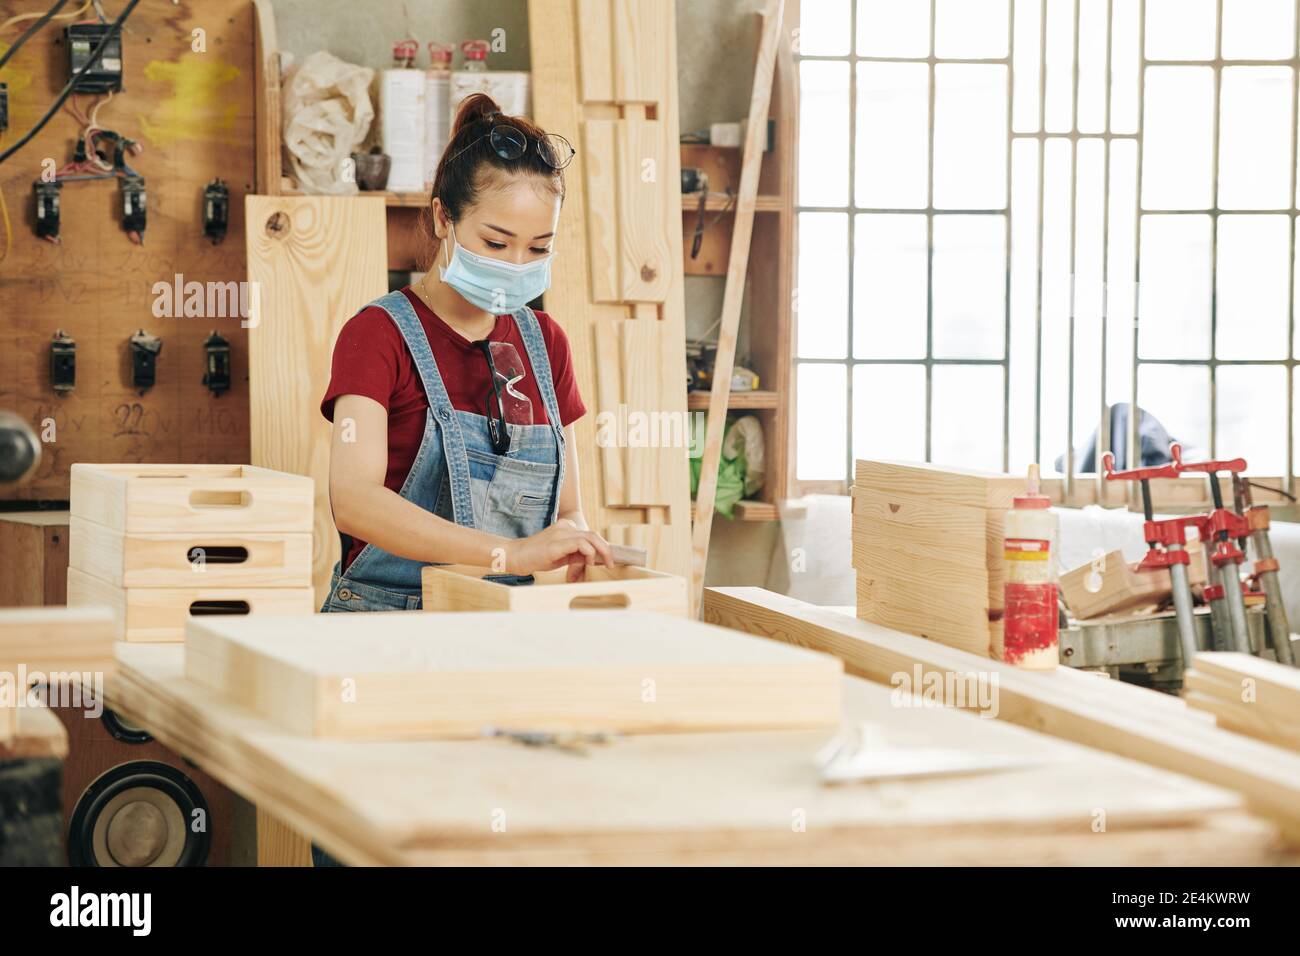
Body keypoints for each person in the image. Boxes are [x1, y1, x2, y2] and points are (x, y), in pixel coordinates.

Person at [311, 93, 613, 867]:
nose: (518, 266)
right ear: (443, 220)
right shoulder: (376, 335)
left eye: (538, 247)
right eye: (497, 240)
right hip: (386, 647)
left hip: (505, 650)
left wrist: (582, 547)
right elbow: (356, 498)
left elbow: (567, 506)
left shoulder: (543, 343)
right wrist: (506, 556)